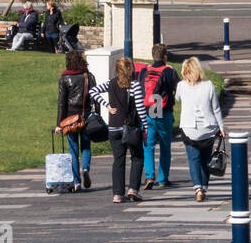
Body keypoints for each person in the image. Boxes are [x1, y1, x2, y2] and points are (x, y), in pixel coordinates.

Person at [91, 57, 148, 203]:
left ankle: (117, 194)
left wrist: (107, 106)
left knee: (118, 160)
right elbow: (140, 109)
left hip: (113, 127)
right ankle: (133, 189)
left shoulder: (111, 83)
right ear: (130, 69)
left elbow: (93, 91)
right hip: (130, 127)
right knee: (137, 157)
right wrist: (145, 127)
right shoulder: (134, 85)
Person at [174, 57, 224, 203]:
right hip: (208, 129)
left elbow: (177, 98)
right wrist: (221, 127)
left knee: (193, 159)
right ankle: (205, 186)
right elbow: (216, 108)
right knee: (205, 160)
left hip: (189, 129)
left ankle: (198, 188)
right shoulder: (209, 85)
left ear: (184, 71)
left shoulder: (181, 86)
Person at [137, 43, 180, 189]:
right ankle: (163, 178)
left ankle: (149, 176)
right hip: (163, 111)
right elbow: (179, 90)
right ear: (165, 56)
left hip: (147, 111)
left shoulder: (144, 71)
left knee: (148, 146)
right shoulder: (169, 72)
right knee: (165, 146)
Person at [56, 49, 92, 190]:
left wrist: (59, 124)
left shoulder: (64, 78)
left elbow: (61, 103)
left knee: (73, 149)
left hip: (70, 118)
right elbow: (94, 97)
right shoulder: (88, 76)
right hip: (86, 116)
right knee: (86, 146)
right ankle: (86, 169)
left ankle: (76, 182)